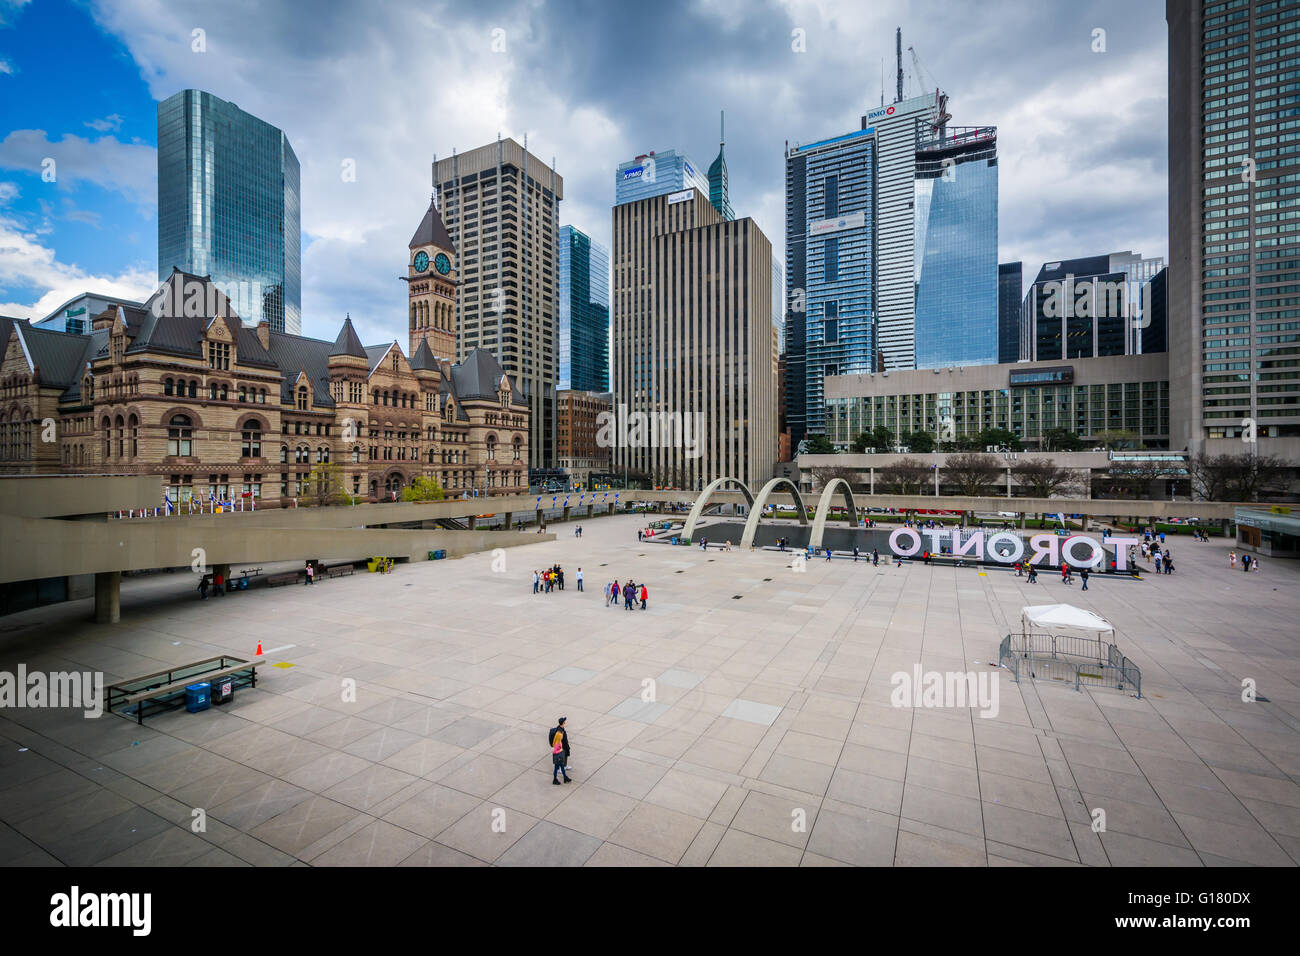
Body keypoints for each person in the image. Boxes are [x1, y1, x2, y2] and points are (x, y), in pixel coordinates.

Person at [548, 717, 572, 785]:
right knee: (556, 768)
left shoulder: (560, 733)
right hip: (558, 754)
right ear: (563, 722)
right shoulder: (559, 735)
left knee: (561, 766)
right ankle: (555, 780)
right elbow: (555, 748)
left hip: (559, 754)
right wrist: (560, 749)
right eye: (564, 721)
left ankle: (565, 778)